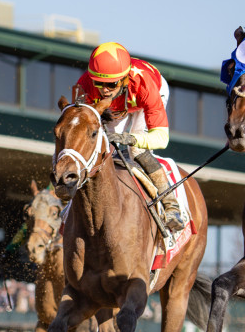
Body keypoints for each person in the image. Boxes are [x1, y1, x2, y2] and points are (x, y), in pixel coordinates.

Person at [71, 41, 187, 233]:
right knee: (101, 146)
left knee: (136, 151)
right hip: (116, 106)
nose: (104, 90)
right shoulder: (85, 86)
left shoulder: (145, 85)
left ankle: (171, 205)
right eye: (99, 83)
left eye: (111, 84)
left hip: (147, 95)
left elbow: (161, 138)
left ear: (124, 79)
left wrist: (133, 139)